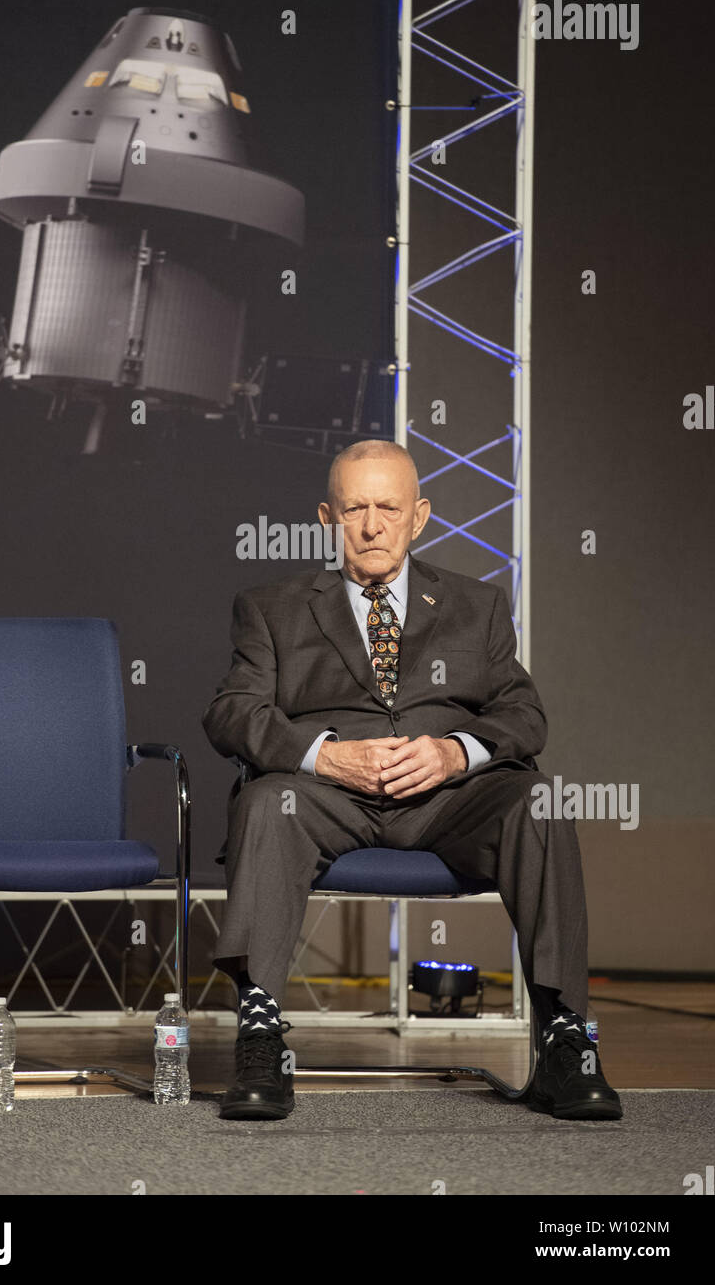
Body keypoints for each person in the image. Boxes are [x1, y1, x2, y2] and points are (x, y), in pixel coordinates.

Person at [203, 439, 622, 1122]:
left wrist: (456, 753)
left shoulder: (475, 605)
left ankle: (564, 1035)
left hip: (450, 802)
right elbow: (231, 712)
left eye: (388, 507)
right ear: (326, 517)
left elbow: (524, 714)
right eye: (354, 508)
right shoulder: (271, 608)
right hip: (325, 798)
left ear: (419, 516)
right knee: (267, 802)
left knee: (540, 801)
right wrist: (324, 754)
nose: (371, 525)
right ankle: (259, 1034)